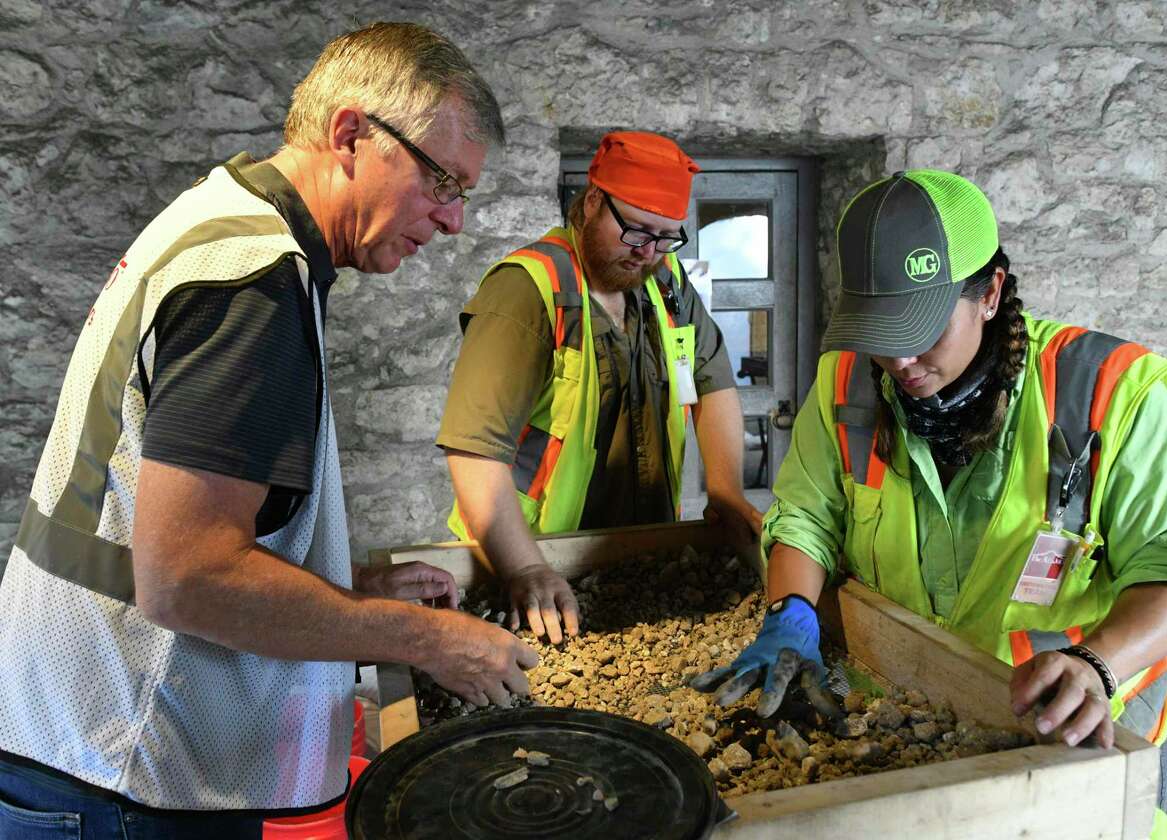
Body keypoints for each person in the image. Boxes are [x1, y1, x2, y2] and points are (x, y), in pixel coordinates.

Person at [0, 22, 536, 838]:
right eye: (441, 181)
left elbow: (191, 522)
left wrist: (346, 590)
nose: (453, 220)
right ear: (351, 135)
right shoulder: (247, 284)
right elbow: (185, 577)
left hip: (77, 741)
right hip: (119, 768)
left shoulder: (225, 219)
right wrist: (425, 638)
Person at [693, 169, 1167, 838]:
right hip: (912, 739)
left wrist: (1095, 665)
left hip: (1073, 746)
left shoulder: (1110, 395)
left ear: (989, 294)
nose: (898, 357)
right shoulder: (848, 382)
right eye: (880, 328)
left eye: (921, 327)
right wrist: (790, 615)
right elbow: (807, 517)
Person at [437, 131, 762, 645]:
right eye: (635, 232)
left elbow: (712, 379)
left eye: (665, 237)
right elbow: (474, 449)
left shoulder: (665, 281)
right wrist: (524, 568)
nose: (648, 252)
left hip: (636, 552)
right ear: (592, 202)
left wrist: (725, 490)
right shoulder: (528, 290)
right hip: (532, 559)